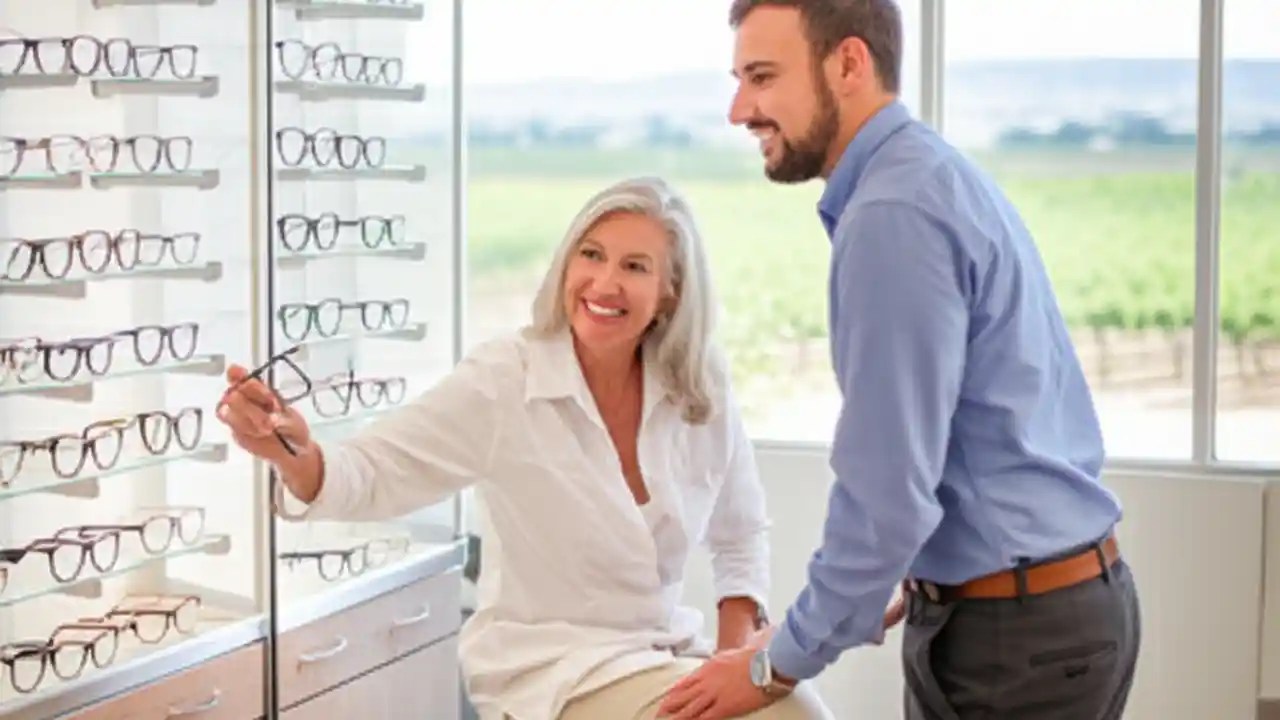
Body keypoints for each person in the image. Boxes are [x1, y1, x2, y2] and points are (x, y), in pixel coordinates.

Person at [659, 2, 1142, 719]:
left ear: (849, 64)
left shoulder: (893, 213)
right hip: (1040, 611)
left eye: (761, 76)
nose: (739, 109)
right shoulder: (930, 174)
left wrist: (772, 665)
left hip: (1015, 640)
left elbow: (887, 496)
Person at [216, 176, 833, 720]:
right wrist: (294, 455)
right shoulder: (506, 380)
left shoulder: (697, 383)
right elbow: (377, 470)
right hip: (547, 672)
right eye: (590, 255)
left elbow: (741, 531)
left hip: (657, 653)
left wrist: (733, 662)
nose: (605, 282)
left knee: (795, 707)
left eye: (635, 267)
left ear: (671, 291)